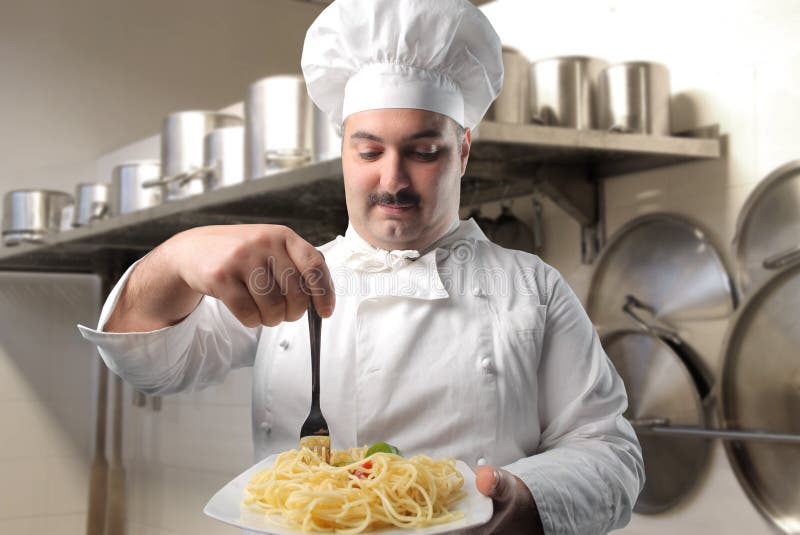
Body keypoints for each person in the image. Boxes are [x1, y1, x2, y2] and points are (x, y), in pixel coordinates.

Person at [79, 0, 644, 533]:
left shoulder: (531, 287)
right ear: (343, 151)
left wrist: (526, 499)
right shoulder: (290, 274)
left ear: (464, 150)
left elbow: (610, 453)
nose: (392, 180)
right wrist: (177, 259)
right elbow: (146, 362)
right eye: (369, 151)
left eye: (424, 152)